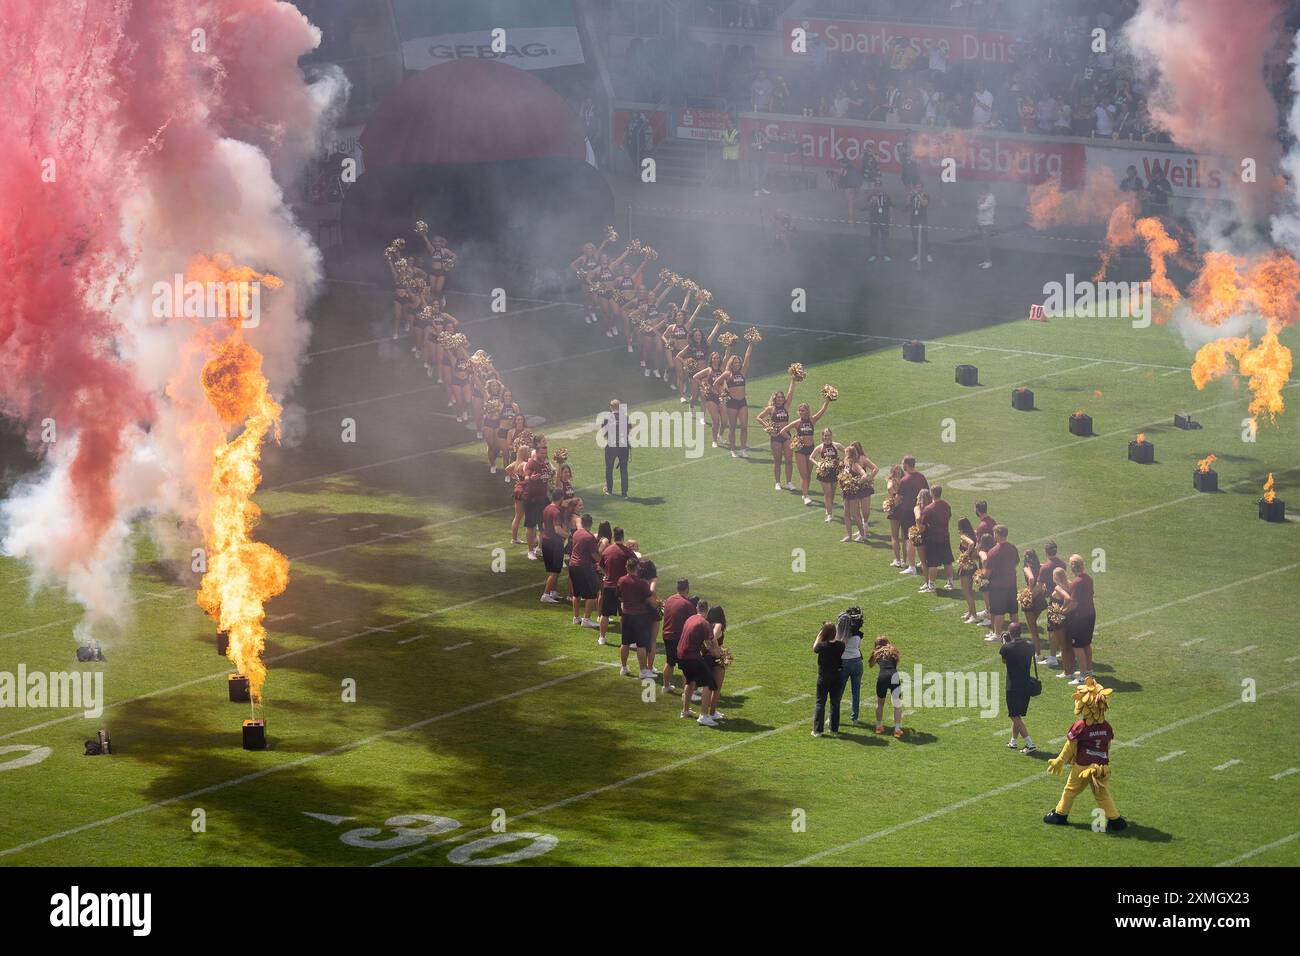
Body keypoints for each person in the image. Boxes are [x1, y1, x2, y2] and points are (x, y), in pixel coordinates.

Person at [678, 599, 722, 726]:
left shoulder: (690, 618)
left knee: (690, 681)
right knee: (708, 683)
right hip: (691, 656)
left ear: (696, 609)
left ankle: (685, 710)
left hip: (681, 654)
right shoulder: (704, 622)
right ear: (706, 611)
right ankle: (703, 715)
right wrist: (718, 653)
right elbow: (711, 642)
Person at [782, 397, 831, 506]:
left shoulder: (812, 420)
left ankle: (805, 493)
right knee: (803, 474)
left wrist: (827, 401)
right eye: (800, 410)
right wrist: (793, 441)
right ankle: (805, 495)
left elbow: (822, 411)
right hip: (800, 450)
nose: (801, 412)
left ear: (807, 411)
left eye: (803, 410)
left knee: (808, 474)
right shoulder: (796, 423)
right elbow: (783, 431)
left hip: (811, 449)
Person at [617, 555, 657, 679]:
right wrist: (658, 604)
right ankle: (643, 670)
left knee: (625, 643)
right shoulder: (642, 583)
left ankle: (623, 667)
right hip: (640, 616)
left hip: (626, 614)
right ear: (637, 568)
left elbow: (619, 597)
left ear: (626, 567)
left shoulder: (621, 580)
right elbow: (651, 601)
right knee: (641, 645)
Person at [1000, 622, 1037, 753]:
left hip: (1013, 686)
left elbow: (1004, 661)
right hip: (1026, 684)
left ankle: (1030, 744)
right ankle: (1013, 742)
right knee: (1017, 715)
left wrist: (1004, 643)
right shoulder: (1030, 646)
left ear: (1010, 632)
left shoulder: (1006, 648)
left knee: (1014, 716)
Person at [597, 527, 634, 645]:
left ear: (613, 537)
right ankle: (627, 640)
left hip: (608, 586)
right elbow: (635, 567)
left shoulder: (607, 551)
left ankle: (602, 638)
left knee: (605, 614)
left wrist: (606, 574)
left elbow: (601, 566)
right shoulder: (628, 552)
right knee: (624, 615)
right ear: (622, 537)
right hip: (624, 587)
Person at [1063, 553, 1096, 685]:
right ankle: (1089, 669)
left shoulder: (1077, 582)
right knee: (1086, 643)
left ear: (1072, 567)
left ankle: (1083, 676)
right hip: (1091, 614)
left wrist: (1062, 612)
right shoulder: (1089, 578)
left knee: (1078, 646)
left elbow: (1074, 603)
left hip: (1080, 617)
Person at [983, 525, 1021, 640]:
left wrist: (983, 577)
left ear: (998, 535)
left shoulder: (993, 551)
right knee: (1013, 611)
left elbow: (988, 571)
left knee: (998, 611)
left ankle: (997, 634)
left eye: (994, 533)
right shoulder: (1013, 547)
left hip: (998, 586)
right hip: (1011, 584)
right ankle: (1016, 634)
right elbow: (1016, 562)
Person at [659, 578, 695, 694]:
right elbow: (692, 622)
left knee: (670, 662)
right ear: (687, 588)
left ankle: (665, 686)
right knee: (686, 665)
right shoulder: (687, 604)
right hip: (679, 637)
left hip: (667, 634)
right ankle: (687, 692)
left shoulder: (669, 599)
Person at [894, 456, 928, 574]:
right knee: (921, 537)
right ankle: (923, 561)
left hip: (907, 512)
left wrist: (893, 504)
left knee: (909, 538)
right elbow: (926, 493)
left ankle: (912, 566)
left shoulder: (905, 480)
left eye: (903, 463)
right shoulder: (921, 477)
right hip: (921, 511)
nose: (902, 465)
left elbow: (898, 498)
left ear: (907, 465)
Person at [1035, 542, 1067, 665]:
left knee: (1052, 630)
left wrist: (1030, 597)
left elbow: (1038, 587)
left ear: (1046, 551)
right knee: (1062, 627)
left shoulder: (1045, 568)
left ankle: (1053, 657)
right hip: (1063, 598)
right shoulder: (1062, 564)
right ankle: (1062, 650)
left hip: (1055, 601)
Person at [811, 621, 845, 737]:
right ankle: (834, 729)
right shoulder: (841, 646)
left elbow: (814, 648)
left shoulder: (822, 646)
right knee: (835, 703)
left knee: (820, 702)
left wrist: (820, 635)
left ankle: (818, 730)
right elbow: (838, 641)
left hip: (824, 677)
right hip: (837, 676)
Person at [920, 484, 955, 592]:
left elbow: (922, 526)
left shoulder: (928, 509)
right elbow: (948, 517)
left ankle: (931, 586)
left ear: (931, 493)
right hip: (945, 536)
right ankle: (950, 583)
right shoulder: (946, 505)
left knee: (932, 563)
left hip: (933, 538)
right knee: (947, 561)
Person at [568, 513, 601, 627]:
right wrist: (602, 562)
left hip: (573, 565)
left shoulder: (576, 533)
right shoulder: (589, 537)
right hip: (583, 566)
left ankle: (576, 617)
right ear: (591, 524)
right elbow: (594, 554)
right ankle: (586, 620)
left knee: (576, 593)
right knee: (592, 593)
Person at [869, 636, 903, 737]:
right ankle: (897, 730)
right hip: (894, 676)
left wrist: (875, 654)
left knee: (880, 703)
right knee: (897, 705)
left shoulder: (877, 653)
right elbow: (896, 662)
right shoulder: (893, 650)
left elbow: (870, 664)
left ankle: (879, 727)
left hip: (882, 676)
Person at [538, 489, 567, 604]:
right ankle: (546, 594)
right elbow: (558, 529)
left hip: (546, 541)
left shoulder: (547, 508)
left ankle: (552, 592)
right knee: (554, 571)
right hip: (554, 543)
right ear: (560, 498)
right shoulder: (556, 511)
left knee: (554, 569)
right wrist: (570, 536)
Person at [838, 608, 865, 723]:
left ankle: (831, 716)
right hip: (857, 662)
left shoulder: (841, 635)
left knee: (838, 692)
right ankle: (855, 718)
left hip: (844, 663)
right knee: (856, 692)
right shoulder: (858, 635)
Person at [704, 605, 730, 721]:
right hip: (715, 658)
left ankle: (706, 711)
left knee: (708, 686)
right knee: (716, 688)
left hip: (705, 656)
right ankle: (712, 712)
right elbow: (712, 637)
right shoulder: (718, 625)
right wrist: (717, 650)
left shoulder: (706, 624)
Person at [602, 398, 630, 497]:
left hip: (611, 446)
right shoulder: (625, 417)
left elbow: (604, 433)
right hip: (623, 447)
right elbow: (628, 431)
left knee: (609, 469)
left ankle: (609, 490)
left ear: (611, 407)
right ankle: (624, 493)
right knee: (624, 470)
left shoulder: (607, 418)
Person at [865, 183, 892, 263]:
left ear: (882, 187)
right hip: (874, 220)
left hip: (884, 220)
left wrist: (891, 218)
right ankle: (873, 254)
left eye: (879, 186)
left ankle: (885, 255)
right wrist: (871, 201)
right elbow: (866, 206)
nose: (877, 188)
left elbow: (890, 207)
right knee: (873, 238)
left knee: (885, 238)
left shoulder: (886, 196)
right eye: (876, 186)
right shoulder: (871, 196)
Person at [906, 181, 931, 265]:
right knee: (915, 237)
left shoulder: (926, 195)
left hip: (923, 218)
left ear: (922, 188)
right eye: (916, 187)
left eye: (919, 187)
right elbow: (908, 204)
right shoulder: (913, 196)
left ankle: (928, 254)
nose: (917, 189)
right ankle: (916, 254)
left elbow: (924, 204)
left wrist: (917, 195)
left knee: (925, 237)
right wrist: (909, 195)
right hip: (914, 218)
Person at [976, 187, 995, 269]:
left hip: (987, 223)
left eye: (982, 190)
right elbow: (978, 205)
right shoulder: (984, 197)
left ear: (986, 190)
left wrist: (981, 200)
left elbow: (981, 207)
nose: (980, 192)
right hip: (981, 222)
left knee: (986, 243)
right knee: (984, 243)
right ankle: (986, 260)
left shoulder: (991, 198)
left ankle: (989, 262)